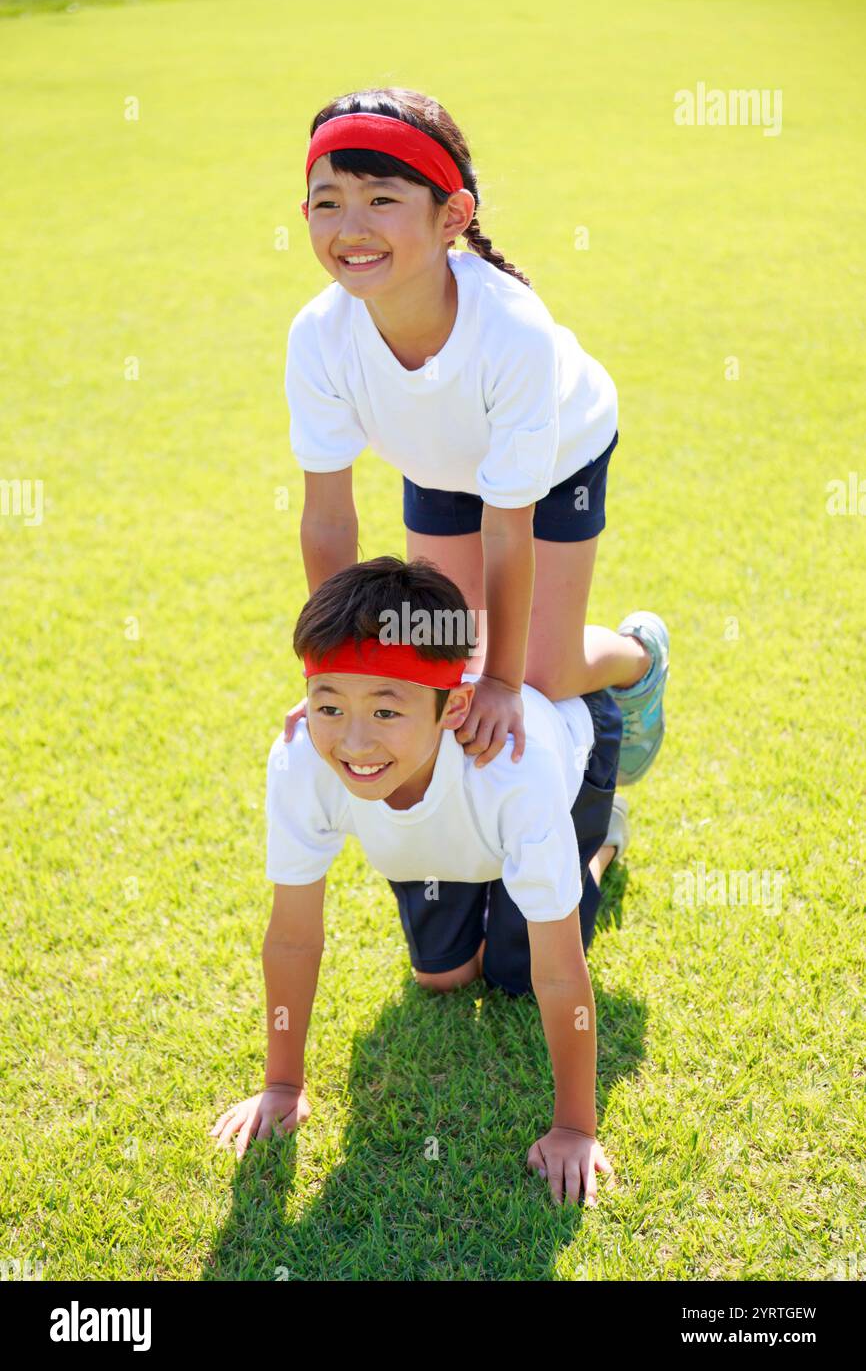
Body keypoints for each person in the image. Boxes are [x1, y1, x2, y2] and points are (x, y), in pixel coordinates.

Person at [210, 558, 652, 1209]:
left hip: (571, 756)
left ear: (457, 706)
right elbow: (294, 937)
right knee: (442, 976)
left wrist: (574, 1129)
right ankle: (511, 870)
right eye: (329, 704)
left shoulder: (518, 775)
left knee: (516, 971)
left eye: (386, 711)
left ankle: (599, 839)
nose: (353, 741)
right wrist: (282, 1084)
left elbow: (559, 975)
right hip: (445, 836)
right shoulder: (306, 756)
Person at [281, 85, 669, 783]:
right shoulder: (318, 335)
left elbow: (505, 527)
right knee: (445, 649)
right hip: (437, 465)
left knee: (537, 674)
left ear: (451, 216)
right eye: (329, 201)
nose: (351, 226)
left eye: (382, 199)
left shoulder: (512, 331)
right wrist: (335, 677)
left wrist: (502, 683)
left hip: (558, 460)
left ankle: (638, 660)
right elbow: (329, 519)